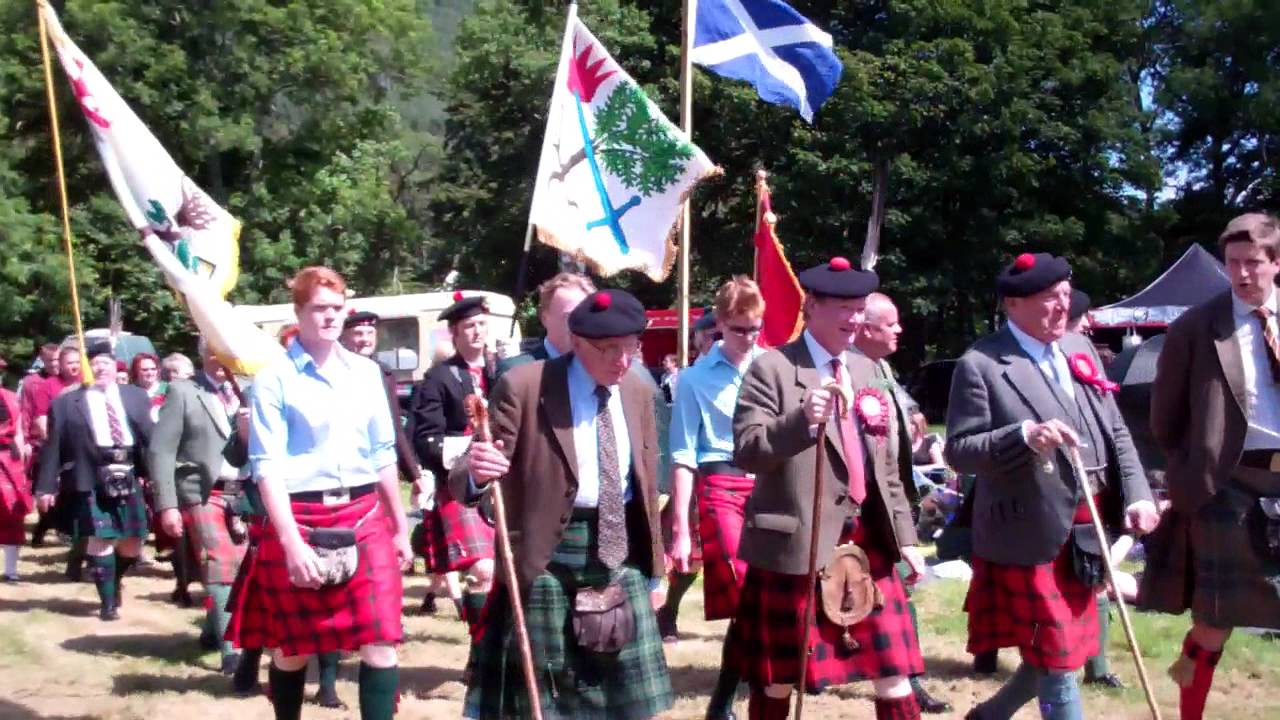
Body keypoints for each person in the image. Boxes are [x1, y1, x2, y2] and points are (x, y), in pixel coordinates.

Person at [945, 252, 1158, 720]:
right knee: (1059, 660)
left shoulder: (1081, 350)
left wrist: (1139, 493)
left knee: (1057, 656)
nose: (1062, 308)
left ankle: (988, 716)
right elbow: (958, 450)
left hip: (1088, 532)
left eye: (1065, 296)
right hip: (1029, 535)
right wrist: (1021, 436)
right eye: (1048, 299)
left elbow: (1116, 430)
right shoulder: (981, 363)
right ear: (1013, 305)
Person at [457, 287, 673, 719]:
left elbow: (646, 483)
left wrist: (656, 568)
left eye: (631, 347)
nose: (622, 360)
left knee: (624, 704)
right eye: (609, 349)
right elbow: (475, 467)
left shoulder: (637, 388)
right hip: (546, 557)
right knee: (547, 699)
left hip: (620, 554)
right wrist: (476, 472)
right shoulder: (525, 385)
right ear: (577, 342)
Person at [729, 257, 926, 720]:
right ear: (811, 306)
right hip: (796, 546)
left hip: (866, 541)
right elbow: (748, 450)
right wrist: (800, 422)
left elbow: (888, 469)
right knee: (777, 679)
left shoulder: (869, 370)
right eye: (842, 307)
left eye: (859, 308)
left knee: (894, 672)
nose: (853, 318)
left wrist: (908, 538)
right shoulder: (772, 368)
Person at [224, 266, 410, 720]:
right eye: (319, 309)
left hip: (366, 515)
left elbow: (384, 453)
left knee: (382, 643)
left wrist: (401, 527)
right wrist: (289, 543)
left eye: (336, 307)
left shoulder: (367, 373)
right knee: (291, 651)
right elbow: (265, 466)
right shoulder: (274, 379)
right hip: (301, 517)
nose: (330, 317)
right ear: (300, 312)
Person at [1140, 213, 1280, 720]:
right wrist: (1196, 470)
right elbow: (1165, 416)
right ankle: (1189, 714)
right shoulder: (1197, 327)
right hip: (1228, 485)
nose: (1242, 274)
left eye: (1253, 264)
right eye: (1233, 264)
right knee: (1213, 619)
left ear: (1276, 263)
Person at [667, 276, 766, 719]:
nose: (748, 338)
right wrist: (680, 532)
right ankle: (724, 700)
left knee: (768, 595)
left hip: (768, 485)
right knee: (744, 593)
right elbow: (684, 455)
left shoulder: (773, 366)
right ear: (720, 324)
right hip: (720, 485)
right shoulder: (692, 379)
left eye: (755, 328)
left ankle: (739, 694)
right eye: (739, 328)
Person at [852, 292, 951, 715]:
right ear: (867, 328)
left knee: (897, 602)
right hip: (862, 513)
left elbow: (905, 412)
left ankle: (910, 681)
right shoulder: (846, 370)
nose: (899, 330)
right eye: (890, 323)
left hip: (894, 502)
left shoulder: (883, 368)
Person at [148, 337, 252, 678]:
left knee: (245, 569)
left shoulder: (250, 390)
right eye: (214, 351)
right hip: (202, 492)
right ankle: (231, 650)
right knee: (221, 566)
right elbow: (161, 450)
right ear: (202, 354)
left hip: (247, 493)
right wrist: (167, 505)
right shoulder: (182, 392)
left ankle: (212, 629)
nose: (222, 359)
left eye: (227, 351)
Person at [36, 341, 154, 621]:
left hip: (128, 472)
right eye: (95, 363)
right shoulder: (66, 403)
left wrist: (154, 474)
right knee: (100, 539)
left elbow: (152, 439)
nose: (101, 368)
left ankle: (114, 581)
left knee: (132, 544)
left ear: (116, 367)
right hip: (90, 475)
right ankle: (108, 603)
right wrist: (45, 486)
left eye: (106, 363)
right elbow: (52, 447)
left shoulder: (136, 396)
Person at [409, 292, 498, 631]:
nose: (477, 332)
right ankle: (480, 653)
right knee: (483, 570)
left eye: (481, 324)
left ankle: (498, 653)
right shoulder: (440, 378)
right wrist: (472, 448)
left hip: (506, 483)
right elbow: (425, 438)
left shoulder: (500, 371)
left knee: (507, 571)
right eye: (469, 326)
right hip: (462, 484)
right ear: (456, 334)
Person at [21, 343, 79, 548]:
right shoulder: (48, 386)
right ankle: (44, 527)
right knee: (51, 493)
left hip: (81, 449)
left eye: (77, 362)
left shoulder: (87, 383)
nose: (74, 367)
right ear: (60, 365)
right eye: (69, 363)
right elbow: (41, 420)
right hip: (54, 446)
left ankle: (68, 532)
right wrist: (57, 447)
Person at [0, 362, 29, 580]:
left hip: (8, 459)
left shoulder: (10, 397)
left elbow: (18, 430)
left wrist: (20, 462)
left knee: (12, 512)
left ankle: (11, 571)